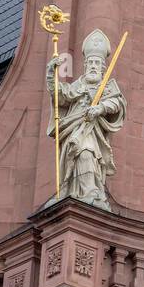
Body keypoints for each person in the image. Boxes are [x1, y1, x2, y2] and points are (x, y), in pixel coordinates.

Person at [46, 28, 125, 210]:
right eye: (91, 63)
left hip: (91, 131)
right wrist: (51, 73)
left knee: (87, 152)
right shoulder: (77, 86)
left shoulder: (107, 87)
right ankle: (68, 190)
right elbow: (59, 94)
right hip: (73, 128)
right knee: (73, 156)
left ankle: (90, 191)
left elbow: (116, 103)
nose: (94, 66)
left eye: (97, 63)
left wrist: (99, 108)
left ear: (103, 68)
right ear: (85, 66)